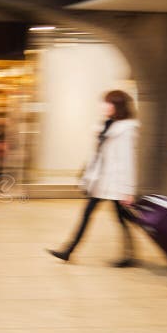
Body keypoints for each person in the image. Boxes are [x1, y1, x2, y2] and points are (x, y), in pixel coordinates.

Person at [48, 90, 139, 268]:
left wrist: (127, 190)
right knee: (91, 215)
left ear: (117, 106)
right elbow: (98, 155)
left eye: (108, 103)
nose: (103, 106)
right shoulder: (107, 125)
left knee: (120, 219)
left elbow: (127, 161)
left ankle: (130, 255)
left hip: (114, 184)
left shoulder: (125, 130)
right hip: (102, 182)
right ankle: (68, 250)